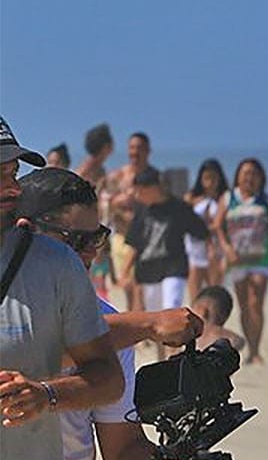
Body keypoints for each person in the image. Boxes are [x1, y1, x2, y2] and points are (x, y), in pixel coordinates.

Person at [15, 167, 213, 460]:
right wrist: (147, 323)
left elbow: (122, 453)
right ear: (26, 232)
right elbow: (40, 340)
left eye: (97, 237)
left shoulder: (110, 323)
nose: (88, 253)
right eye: (74, 238)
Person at [0, 117, 123, 460]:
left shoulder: (55, 266)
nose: (12, 188)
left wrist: (45, 396)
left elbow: (106, 378)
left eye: (13, 172)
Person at [106, 285, 244, 460]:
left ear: (201, 309)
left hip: (171, 410)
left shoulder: (179, 337)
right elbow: (237, 342)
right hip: (193, 412)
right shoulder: (222, 337)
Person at [213, 157, 268, 365]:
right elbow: (217, 226)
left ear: (261, 178)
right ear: (238, 176)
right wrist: (226, 248)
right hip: (237, 258)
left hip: (261, 257)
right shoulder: (228, 198)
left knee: (256, 301)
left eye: (254, 173)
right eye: (246, 173)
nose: (249, 177)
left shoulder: (266, 200)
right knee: (244, 305)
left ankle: (256, 350)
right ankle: (250, 347)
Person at [125, 167, 210, 332]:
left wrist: (211, 257)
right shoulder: (142, 211)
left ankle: (174, 354)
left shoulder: (179, 208)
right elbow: (134, 244)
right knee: (156, 322)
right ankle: (163, 355)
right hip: (148, 271)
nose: (137, 195)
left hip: (174, 269)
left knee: (171, 311)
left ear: (153, 188)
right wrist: (125, 272)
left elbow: (202, 232)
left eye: (139, 191)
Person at [101, 132, 153, 314]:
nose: (135, 152)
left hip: (146, 240)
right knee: (129, 288)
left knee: (141, 287)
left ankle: (141, 326)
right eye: (132, 147)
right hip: (122, 238)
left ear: (148, 150)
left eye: (139, 148)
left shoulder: (154, 179)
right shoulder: (118, 177)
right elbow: (106, 205)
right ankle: (138, 328)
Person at [75, 125, 115, 298]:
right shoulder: (88, 169)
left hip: (95, 225)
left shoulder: (99, 168)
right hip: (84, 228)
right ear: (105, 146)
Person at [184, 159, 228, 302]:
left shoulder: (223, 199)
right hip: (194, 249)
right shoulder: (192, 198)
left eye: (214, 178)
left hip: (215, 250)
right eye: (207, 178)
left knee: (213, 293)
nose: (210, 182)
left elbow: (221, 224)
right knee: (195, 293)